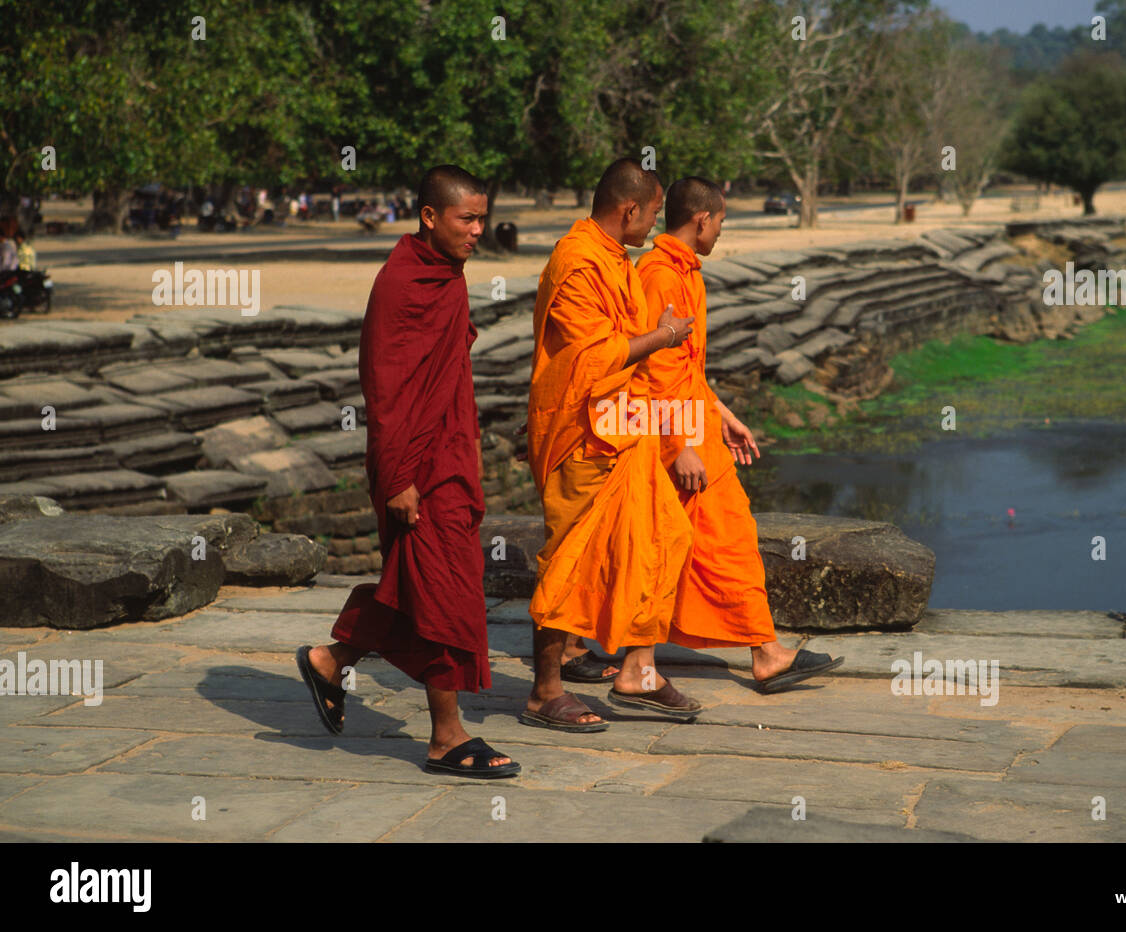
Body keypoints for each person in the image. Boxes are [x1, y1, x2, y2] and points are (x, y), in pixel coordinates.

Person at [297, 164, 519, 778]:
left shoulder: (445, 272)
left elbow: (445, 372)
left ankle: (330, 658)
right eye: (466, 219)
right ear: (430, 217)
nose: (478, 230)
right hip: (414, 464)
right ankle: (446, 737)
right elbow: (387, 388)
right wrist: (397, 478)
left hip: (446, 453)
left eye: (481, 217)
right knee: (444, 591)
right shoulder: (402, 282)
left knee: (421, 583)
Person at [634, 177, 843, 693]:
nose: (722, 232)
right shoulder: (661, 275)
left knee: (708, 543)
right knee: (698, 543)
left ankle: (755, 650)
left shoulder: (685, 274)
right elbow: (656, 371)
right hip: (676, 435)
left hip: (695, 424)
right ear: (702, 219)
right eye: (722, 221)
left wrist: (722, 412)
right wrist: (680, 444)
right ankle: (759, 653)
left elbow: (688, 367)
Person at [522, 157, 700, 731]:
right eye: (650, 215)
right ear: (629, 210)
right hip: (581, 434)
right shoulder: (577, 262)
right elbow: (594, 357)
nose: (652, 226)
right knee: (570, 559)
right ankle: (544, 691)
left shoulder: (615, 258)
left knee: (662, 537)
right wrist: (664, 336)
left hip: (625, 428)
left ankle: (639, 670)